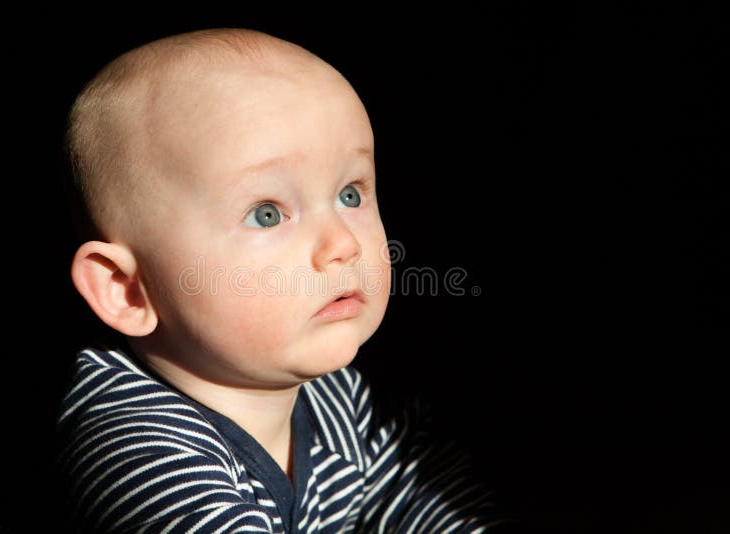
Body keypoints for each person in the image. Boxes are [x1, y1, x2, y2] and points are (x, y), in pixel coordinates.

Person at [57, 27, 520, 533]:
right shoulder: (137, 450)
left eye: (350, 194)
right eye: (267, 214)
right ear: (127, 289)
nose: (343, 244)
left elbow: (418, 494)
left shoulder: (337, 399)